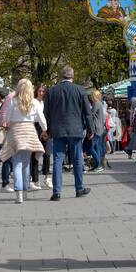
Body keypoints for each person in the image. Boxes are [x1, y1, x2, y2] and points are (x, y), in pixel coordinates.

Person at [43, 66, 92, 200]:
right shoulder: (80, 90)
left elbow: (46, 113)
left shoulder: (52, 91)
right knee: (77, 159)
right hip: (75, 130)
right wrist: (90, 129)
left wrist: (46, 130)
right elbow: (88, 113)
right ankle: (79, 188)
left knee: (58, 160)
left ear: (61, 76)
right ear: (72, 76)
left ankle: (57, 192)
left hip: (57, 130)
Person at [0, 79, 47, 204]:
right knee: (26, 164)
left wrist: (7, 126)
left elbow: (8, 118)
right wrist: (45, 130)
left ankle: (19, 193)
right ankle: (25, 191)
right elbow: (41, 118)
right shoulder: (34, 102)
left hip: (16, 131)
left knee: (17, 163)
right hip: (30, 131)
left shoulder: (13, 101)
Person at [88, 89, 109, 173]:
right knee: (97, 148)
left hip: (96, 128)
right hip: (100, 128)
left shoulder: (96, 104)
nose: (91, 97)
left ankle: (99, 165)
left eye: (92, 96)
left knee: (92, 148)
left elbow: (90, 115)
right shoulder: (100, 104)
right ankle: (97, 165)